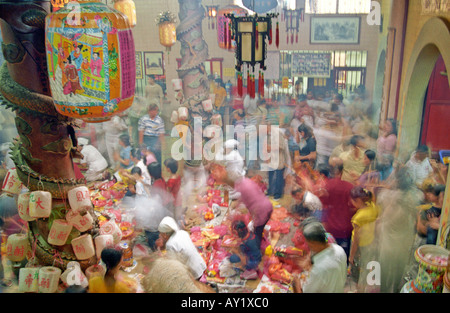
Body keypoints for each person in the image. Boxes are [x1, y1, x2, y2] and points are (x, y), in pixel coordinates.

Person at [214, 165, 273, 248]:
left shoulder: (243, 187)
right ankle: (256, 246)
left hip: (262, 211)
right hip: (267, 205)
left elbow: (251, 205)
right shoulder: (245, 182)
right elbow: (243, 199)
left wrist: (252, 220)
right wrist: (235, 208)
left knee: (257, 232)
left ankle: (256, 252)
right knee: (256, 229)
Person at [292, 222, 347, 293]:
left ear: (313, 243)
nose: (307, 245)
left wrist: (296, 283)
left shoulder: (318, 269)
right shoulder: (339, 249)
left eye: (308, 243)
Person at [320, 162, 355, 258]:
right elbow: (353, 207)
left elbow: (323, 205)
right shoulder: (349, 187)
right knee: (343, 254)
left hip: (330, 225)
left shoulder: (327, 186)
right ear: (342, 171)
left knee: (330, 252)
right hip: (345, 227)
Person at [348, 186, 380, 291]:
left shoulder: (358, 218)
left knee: (358, 270)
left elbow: (356, 239)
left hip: (360, 246)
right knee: (366, 267)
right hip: (370, 242)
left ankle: (359, 289)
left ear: (357, 200)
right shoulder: (373, 207)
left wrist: (351, 256)